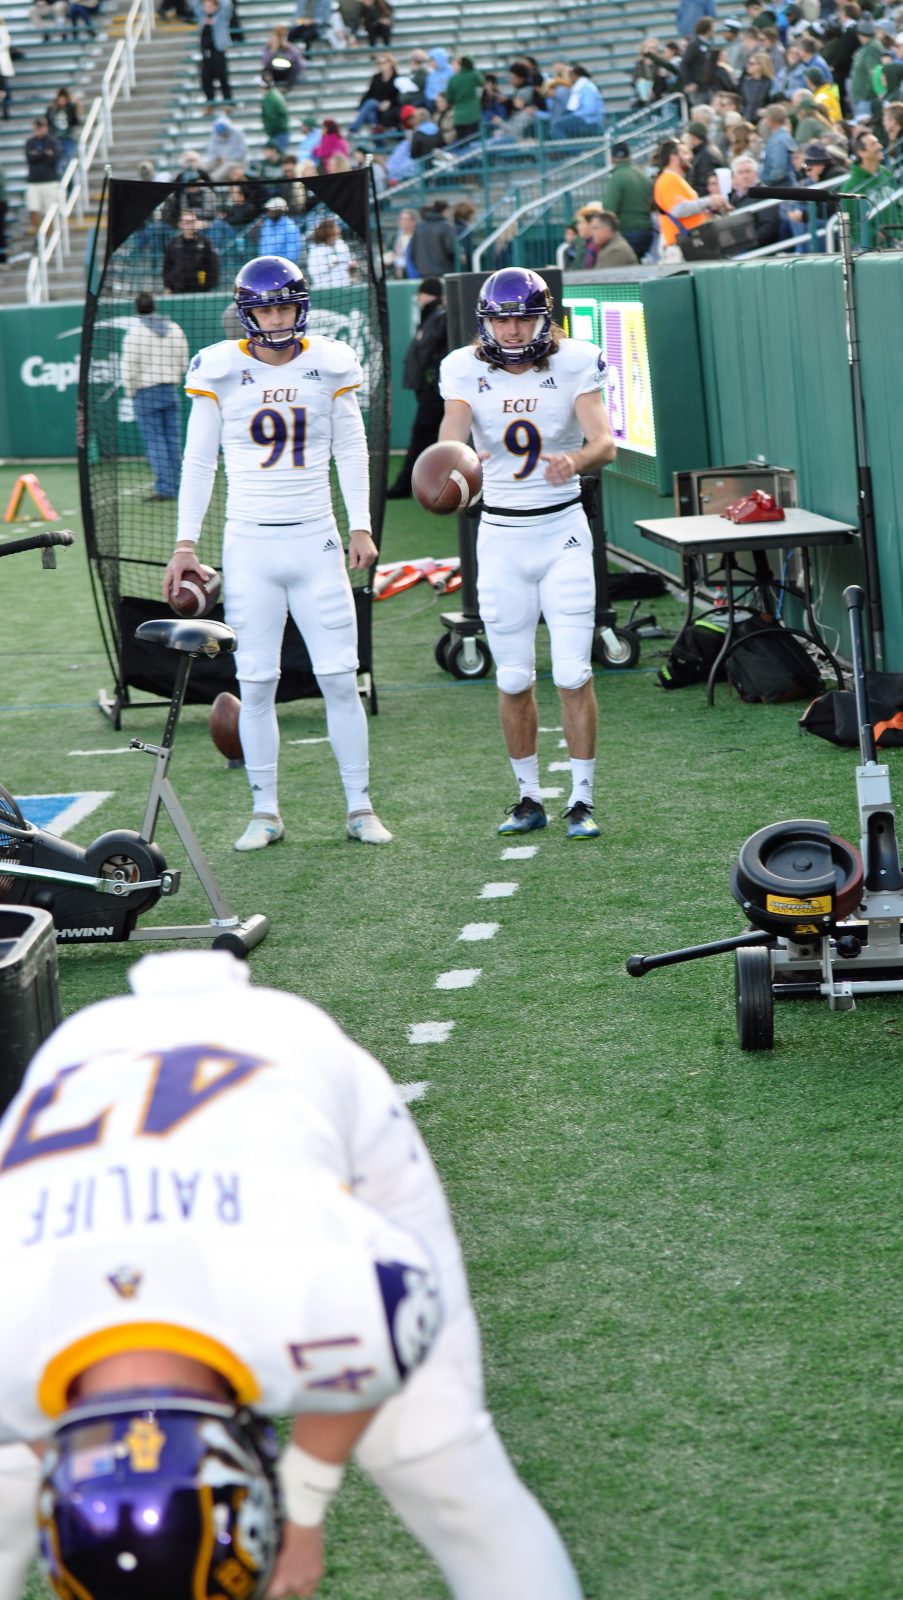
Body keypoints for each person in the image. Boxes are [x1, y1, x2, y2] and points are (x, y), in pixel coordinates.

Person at [0, 947, 583, 1600]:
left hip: (281, 1050)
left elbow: (378, 1339)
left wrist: (303, 1509)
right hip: (93, 1057)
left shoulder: (318, 1289)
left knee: (431, 1453)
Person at [163, 256, 392, 850]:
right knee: (257, 682)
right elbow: (198, 462)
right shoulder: (218, 367)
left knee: (339, 678)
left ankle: (360, 807)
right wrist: (185, 543)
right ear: (246, 313)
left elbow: (352, 449)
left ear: (301, 307)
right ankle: (264, 811)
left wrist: (361, 526)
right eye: (265, 309)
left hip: (316, 538)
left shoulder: (329, 361)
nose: (276, 317)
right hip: (249, 544)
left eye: (285, 306)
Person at [438, 268, 616, 840]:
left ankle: (582, 800)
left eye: (522, 318)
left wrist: (576, 461)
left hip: (562, 530)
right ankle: (528, 797)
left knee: (573, 671)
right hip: (500, 535)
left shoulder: (575, 361)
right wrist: (454, 464)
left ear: (544, 318)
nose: (512, 330)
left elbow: (604, 442)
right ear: (485, 322)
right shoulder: (463, 368)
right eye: (502, 319)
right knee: (513, 678)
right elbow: (450, 438)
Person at [121, 291, 189, 501]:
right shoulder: (175, 329)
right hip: (170, 390)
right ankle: (177, 486)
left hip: (146, 392)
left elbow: (129, 369)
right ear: (154, 305)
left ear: (136, 308)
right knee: (173, 440)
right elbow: (184, 361)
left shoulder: (135, 333)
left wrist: (131, 390)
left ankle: (166, 488)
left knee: (155, 441)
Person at [386, 276, 447, 499]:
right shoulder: (432, 316)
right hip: (430, 391)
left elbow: (432, 353)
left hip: (434, 393)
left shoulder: (439, 316)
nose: (418, 299)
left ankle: (405, 485)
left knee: (422, 438)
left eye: (420, 294)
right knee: (430, 439)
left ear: (425, 294)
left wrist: (430, 380)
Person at [653, 137, 730, 261]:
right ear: (674, 157)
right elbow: (678, 210)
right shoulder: (668, 180)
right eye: (684, 153)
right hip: (682, 249)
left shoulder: (675, 179)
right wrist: (710, 200)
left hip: (689, 246)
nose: (690, 157)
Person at [602, 139, 655, 258]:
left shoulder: (616, 177)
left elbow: (610, 209)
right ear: (630, 156)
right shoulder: (642, 175)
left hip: (628, 232)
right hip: (648, 231)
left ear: (612, 159)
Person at [162, 210, 220, 292]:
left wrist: (206, 287)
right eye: (187, 222)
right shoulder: (173, 244)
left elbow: (213, 268)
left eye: (193, 222)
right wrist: (168, 287)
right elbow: (167, 268)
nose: (191, 225)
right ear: (181, 224)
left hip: (200, 291)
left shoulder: (206, 244)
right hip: (177, 290)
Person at [193, 0, 233, 111]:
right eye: (205, 6)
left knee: (222, 77)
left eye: (210, 5)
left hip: (218, 51)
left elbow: (227, 4)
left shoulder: (221, 16)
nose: (207, 8)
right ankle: (210, 102)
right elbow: (194, 4)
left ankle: (228, 103)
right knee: (205, 78)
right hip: (206, 53)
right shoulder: (202, 16)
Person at [24, 115, 60, 232]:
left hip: (49, 181)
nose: (39, 129)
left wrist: (38, 154)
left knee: (50, 211)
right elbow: (30, 158)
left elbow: (53, 159)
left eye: (42, 126)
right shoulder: (30, 142)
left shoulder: (52, 141)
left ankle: (50, 234)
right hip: (34, 181)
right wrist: (45, 154)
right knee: (33, 208)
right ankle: (39, 234)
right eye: (37, 127)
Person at [408, 197, 457, 277]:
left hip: (424, 272)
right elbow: (452, 250)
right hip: (444, 271)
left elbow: (412, 252)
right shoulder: (446, 226)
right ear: (444, 211)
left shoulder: (419, 227)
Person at [444, 53, 484, 143]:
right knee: (475, 144)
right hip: (473, 114)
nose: (452, 67)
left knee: (463, 144)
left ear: (460, 65)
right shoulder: (474, 74)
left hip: (459, 117)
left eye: (454, 64)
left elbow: (449, 99)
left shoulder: (452, 80)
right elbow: (482, 82)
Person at [306, 214, 354, 285]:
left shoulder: (342, 245)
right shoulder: (316, 251)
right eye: (335, 232)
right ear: (327, 233)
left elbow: (348, 263)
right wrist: (330, 264)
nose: (338, 230)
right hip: (324, 286)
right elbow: (313, 272)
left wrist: (351, 266)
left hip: (345, 285)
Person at [204, 110, 248, 179]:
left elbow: (242, 152)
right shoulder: (214, 134)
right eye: (219, 133)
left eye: (222, 132)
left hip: (236, 162)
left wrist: (228, 159)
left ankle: (211, 180)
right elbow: (211, 151)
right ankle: (199, 178)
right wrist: (218, 158)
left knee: (227, 166)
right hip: (220, 160)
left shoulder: (238, 134)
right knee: (207, 164)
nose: (221, 135)